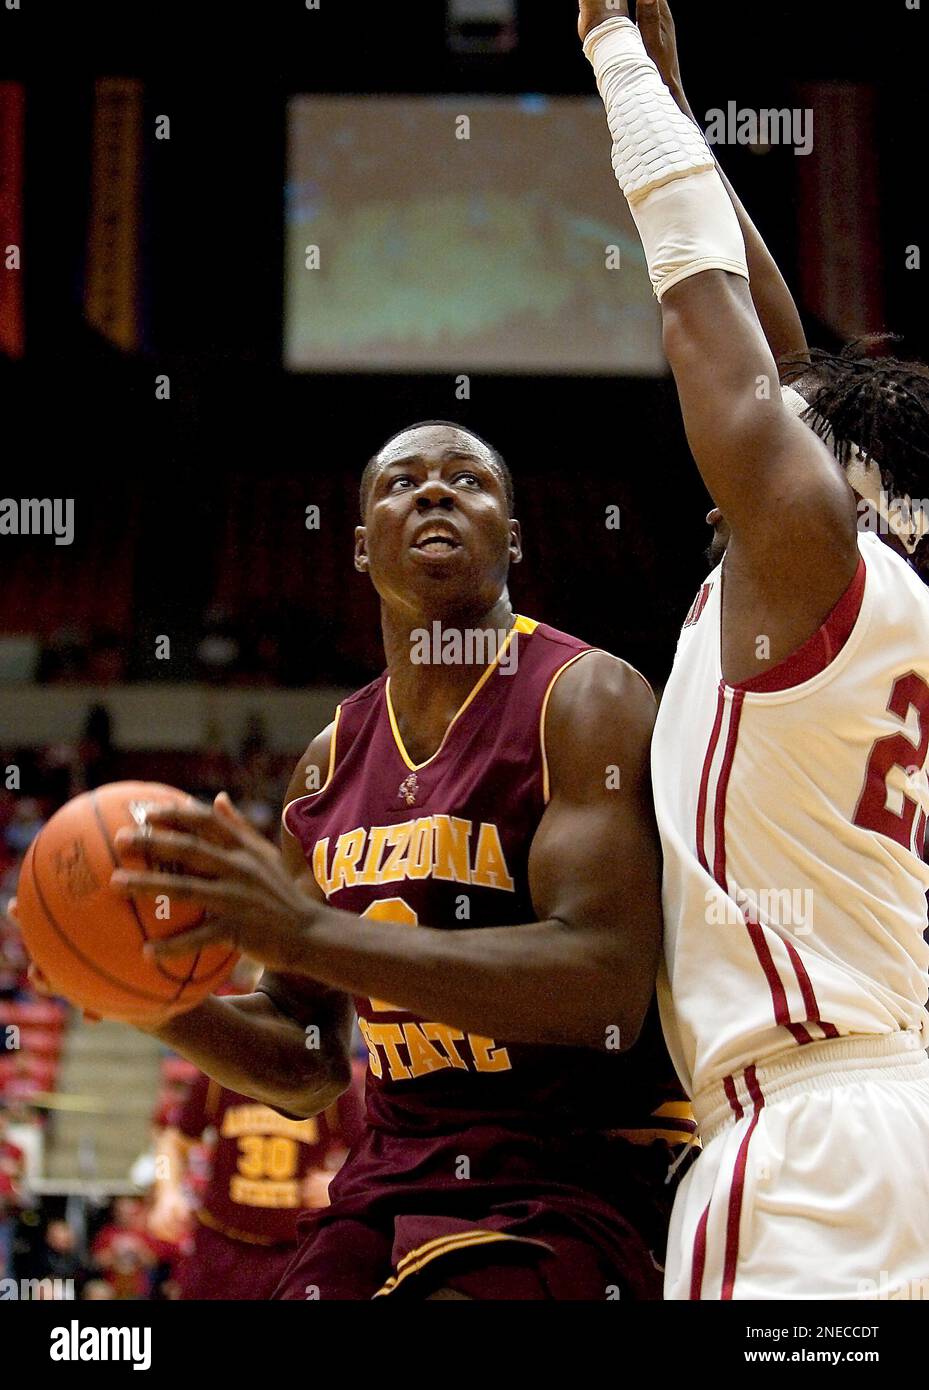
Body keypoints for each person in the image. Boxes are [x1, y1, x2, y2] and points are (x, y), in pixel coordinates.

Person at [107, 420, 694, 1300]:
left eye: (468, 479)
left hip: (577, 1172)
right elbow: (306, 1063)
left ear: (513, 537)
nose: (433, 492)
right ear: (357, 547)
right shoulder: (328, 759)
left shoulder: (583, 699)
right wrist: (139, 994)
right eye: (401, 483)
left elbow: (599, 982)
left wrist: (306, 933)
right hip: (392, 1175)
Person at [579, 0, 929, 1299]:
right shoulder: (880, 600)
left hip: (808, 1139)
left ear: (832, 481)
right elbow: (785, 368)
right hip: (892, 1110)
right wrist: (681, 105)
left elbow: (711, 326)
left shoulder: (814, 565)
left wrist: (612, 56)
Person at [151, 1062, 364, 1300]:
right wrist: (166, 1192)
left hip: (295, 1252)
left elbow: (376, 1155)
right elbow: (170, 1142)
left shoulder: (330, 1079)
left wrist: (343, 1184)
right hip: (220, 1244)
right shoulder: (219, 1070)